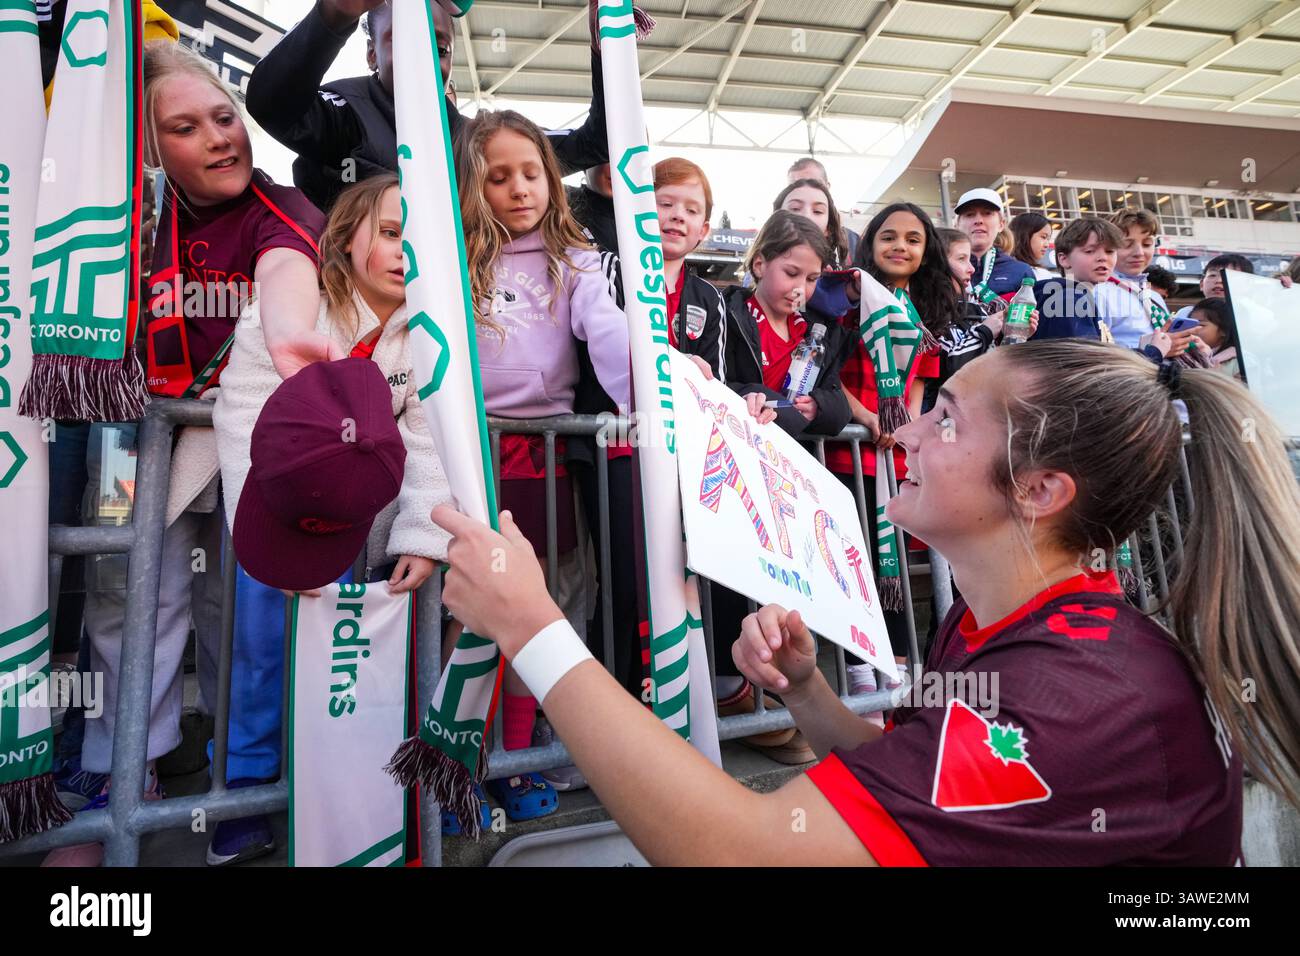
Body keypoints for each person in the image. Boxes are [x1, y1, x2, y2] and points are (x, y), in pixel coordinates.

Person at [431, 339, 1300, 865]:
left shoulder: (1075, 695)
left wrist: (532, 629)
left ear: (1038, 490)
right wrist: (809, 693)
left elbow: (745, 854)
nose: (905, 433)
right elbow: (921, 780)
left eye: (947, 421)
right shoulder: (1016, 619)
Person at [457, 109, 631, 818]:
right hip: (465, 458)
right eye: (499, 176)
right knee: (464, 613)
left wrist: (659, 385)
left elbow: (610, 330)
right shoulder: (451, 255)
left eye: (532, 172)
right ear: (475, 185)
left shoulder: (579, 258)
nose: (520, 188)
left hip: (546, 458)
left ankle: (522, 755)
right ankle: (457, 756)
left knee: (545, 608)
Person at [246, 0, 611, 212]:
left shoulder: (480, 140)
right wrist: (335, 14)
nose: (425, 59)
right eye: (405, 42)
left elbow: (596, 143)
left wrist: (606, 52)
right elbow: (272, 105)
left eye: (440, 49)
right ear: (372, 54)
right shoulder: (346, 113)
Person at [809, 203, 954, 696]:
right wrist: (870, 419)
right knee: (859, 565)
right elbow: (828, 374)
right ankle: (859, 671)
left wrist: (905, 421)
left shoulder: (923, 309)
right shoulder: (849, 299)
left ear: (924, 251)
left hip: (896, 459)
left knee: (892, 565)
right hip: (849, 455)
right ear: (869, 244)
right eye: (888, 236)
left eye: (913, 239)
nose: (900, 246)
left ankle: (896, 672)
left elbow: (923, 379)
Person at [722, 210, 852, 439]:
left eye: (812, 279)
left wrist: (819, 408)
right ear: (760, 264)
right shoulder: (726, 315)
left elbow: (839, 403)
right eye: (792, 273)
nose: (801, 288)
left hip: (787, 465)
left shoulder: (817, 333)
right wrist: (746, 395)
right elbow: (709, 382)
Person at [953, 187, 1034, 300]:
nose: (979, 220)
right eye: (970, 214)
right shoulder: (941, 269)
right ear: (956, 225)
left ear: (1001, 224)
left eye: (987, 213)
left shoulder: (1020, 271)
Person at [786, 156, 859, 263]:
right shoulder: (773, 239)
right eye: (796, 186)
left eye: (814, 184)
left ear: (827, 186)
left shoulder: (852, 241)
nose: (806, 189)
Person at [774, 177, 850, 269]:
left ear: (828, 228)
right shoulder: (759, 269)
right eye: (795, 208)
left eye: (817, 211)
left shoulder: (843, 280)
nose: (806, 216)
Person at [1172, 253, 1254, 320]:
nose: (1219, 280)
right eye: (1212, 275)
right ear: (1201, 284)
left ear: (1246, 285)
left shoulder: (1256, 316)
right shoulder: (1185, 314)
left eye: (1228, 276)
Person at [1187, 297, 1242, 379]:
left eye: (1201, 325)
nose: (1192, 329)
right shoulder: (1184, 354)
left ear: (1223, 330)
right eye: (1190, 324)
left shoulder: (1240, 362)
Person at [1009, 212, 1054, 280]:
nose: (1047, 245)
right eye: (1043, 237)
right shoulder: (1041, 275)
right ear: (1024, 235)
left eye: (1048, 239)